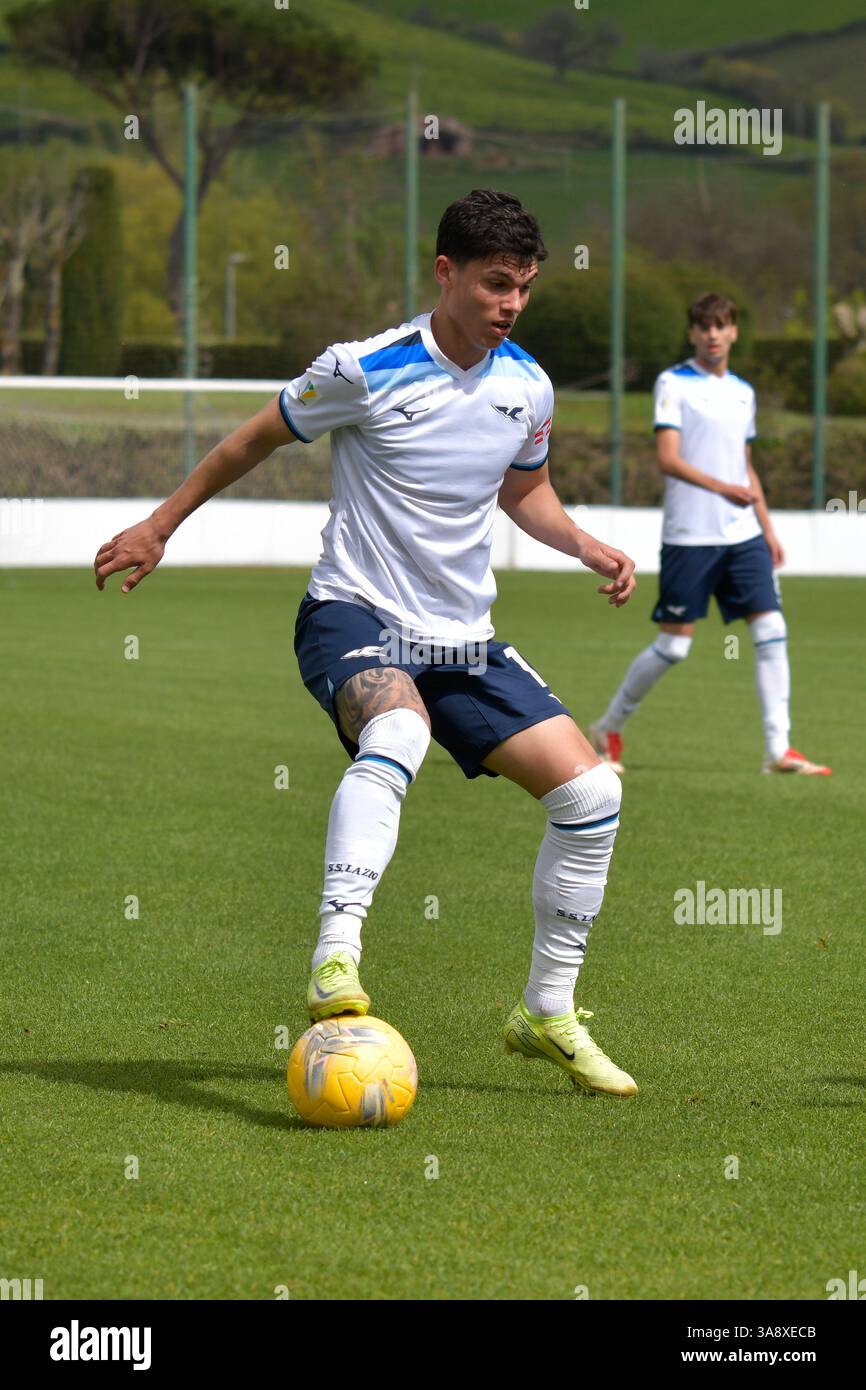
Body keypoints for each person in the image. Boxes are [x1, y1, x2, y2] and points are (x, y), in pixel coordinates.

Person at [94, 189, 640, 1097]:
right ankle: (335, 956)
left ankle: (546, 1012)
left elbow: (523, 491)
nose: (509, 304)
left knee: (589, 796)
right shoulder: (363, 368)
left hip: (463, 635)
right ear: (445, 272)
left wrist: (587, 545)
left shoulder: (527, 385)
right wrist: (160, 525)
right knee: (397, 734)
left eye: (525, 289)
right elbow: (249, 442)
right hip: (353, 613)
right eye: (495, 284)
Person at [590, 291, 831, 778]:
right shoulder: (672, 383)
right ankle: (609, 727)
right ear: (692, 333)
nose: (713, 334)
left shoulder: (743, 391)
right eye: (704, 326)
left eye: (721, 325)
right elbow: (668, 459)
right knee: (675, 647)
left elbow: (745, 467)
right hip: (690, 536)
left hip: (742, 538)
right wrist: (724, 489)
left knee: (771, 631)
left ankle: (778, 750)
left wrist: (767, 528)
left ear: (735, 331)